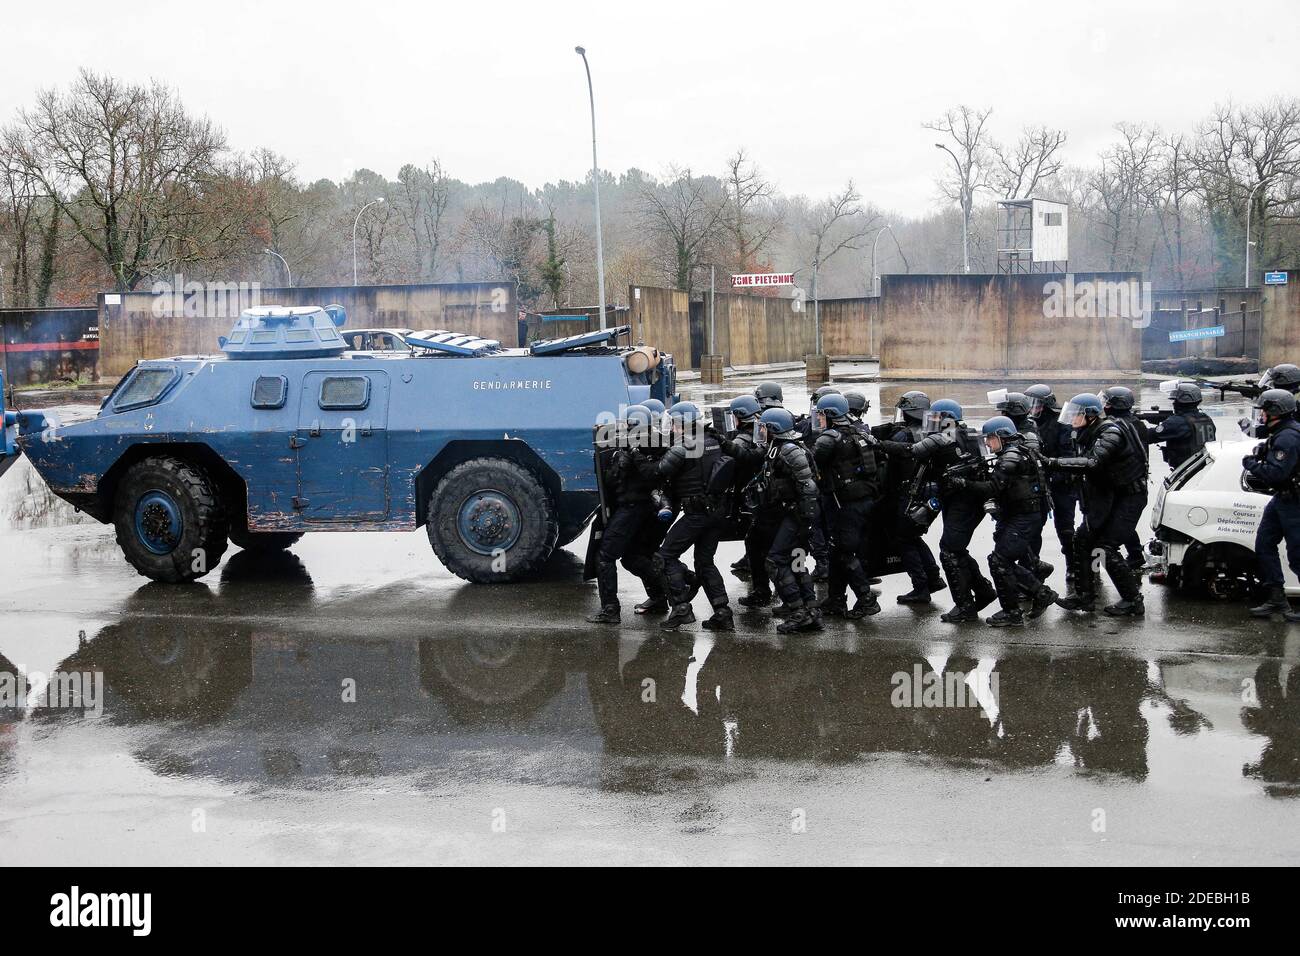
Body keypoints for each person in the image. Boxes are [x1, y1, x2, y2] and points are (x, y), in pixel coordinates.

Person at [879, 398, 995, 622]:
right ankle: (983, 591)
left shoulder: (943, 436)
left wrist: (879, 443)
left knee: (950, 551)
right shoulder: (973, 435)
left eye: (934, 417)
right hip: (973, 498)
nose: (930, 421)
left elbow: (911, 451)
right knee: (956, 549)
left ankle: (964, 606)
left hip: (960, 500)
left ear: (945, 418)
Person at [1045, 390, 1149, 617]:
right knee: (1083, 541)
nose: (1071, 420)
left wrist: (1053, 463)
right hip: (1109, 496)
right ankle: (1085, 596)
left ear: (1090, 416)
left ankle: (1133, 599)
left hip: (1129, 498)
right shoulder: (1088, 432)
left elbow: (1093, 462)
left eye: (1076, 415)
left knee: (1105, 548)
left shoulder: (1110, 432)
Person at [950, 417, 1058, 626]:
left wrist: (964, 483)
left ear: (1001, 436)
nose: (988, 444)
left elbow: (993, 487)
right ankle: (1039, 593)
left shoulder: (1011, 456)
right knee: (1002, 560)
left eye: (990, 439)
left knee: (999, 561)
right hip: (1023, 515)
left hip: (1024, 517)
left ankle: (1014, 611)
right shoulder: (1018, 451)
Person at [643, 401, 733, 632]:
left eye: (673, 423)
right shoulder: (713, 441)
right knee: (705, 562)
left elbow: (659, 471)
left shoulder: (683, 446)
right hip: (716, 512)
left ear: (681, 423)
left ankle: (681, 609)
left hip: (696, 513)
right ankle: (722, 612)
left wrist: (639, 455)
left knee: (665, 557)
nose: (671, 427)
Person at [587, 405, 670, 624]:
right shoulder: (657, 442)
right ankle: (660, 598)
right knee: (633, 558)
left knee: (605, 556)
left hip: (630, 509)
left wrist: (615, 459)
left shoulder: (632, 450)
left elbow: (613, 480)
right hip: (647, 509)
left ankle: (610, 610)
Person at [811, 392, 884, 618]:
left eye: (821, 414)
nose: (818, 419)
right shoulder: (859, 431)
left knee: (844, 552)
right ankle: (835, 600)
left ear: (830, 415)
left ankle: (866, 599)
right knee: (837, 550)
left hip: (843, 503)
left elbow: (813, 464)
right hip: (862, 499)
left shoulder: (828, 439)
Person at [751, 407, 822, 634]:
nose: (760, 430)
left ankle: (798, 610)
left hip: (797, 516)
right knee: (796, 560)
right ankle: (811, 611)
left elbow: (809, 487)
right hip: (789, 514)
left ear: (773, 429)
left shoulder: (790, 450)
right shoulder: (776, 448)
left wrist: (805, 521)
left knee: (776, 560)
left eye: (763, 427)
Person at [875, 391, 945, 603]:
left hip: (909, 493)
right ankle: (933, 577)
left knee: (904, 539)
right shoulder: (937, 432)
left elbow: (890, 471)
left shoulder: (903, 436)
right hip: (930, 493)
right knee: (913, 536)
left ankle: (921, 587)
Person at [1243, 389, 1300, 621]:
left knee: (1297, 555)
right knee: (1264, 544)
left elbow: (1276, 474)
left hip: (1294, 503)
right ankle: (1276, 598)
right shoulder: (1281, 432)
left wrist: (1250, 464)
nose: (1261, 415)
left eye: (1264, 410)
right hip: (1282, 500)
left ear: (1275, 412)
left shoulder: (1288, 437)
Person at [720, 395, 775, 607]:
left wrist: (723, 444)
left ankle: (780, 597)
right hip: (765, 499)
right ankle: (764, 591)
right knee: (758, 545)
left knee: (763, 548)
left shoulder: (746, 436)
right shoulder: (765, 430)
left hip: (760, 501)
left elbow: (744, 456)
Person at [1027, 384, 1079, 589]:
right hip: (1038, 484)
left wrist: (1052, 475)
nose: (1033, 408)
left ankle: (1073, 566)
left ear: (1046, 405)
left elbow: (1068, 457)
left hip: (1061, 484)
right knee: (1033, 529)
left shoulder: (1062, 424)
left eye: (1037, 404)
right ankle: (1034, 567)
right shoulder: (1029, 424)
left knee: (1065, 528)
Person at [1148, 382, 1216, 470]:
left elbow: (1149, 436)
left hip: (1186, 468)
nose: (1173, 403)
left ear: (1181, 402)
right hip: (1204, 467)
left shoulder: (1178, 422)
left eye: (1175, 400)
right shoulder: (1206, 418)